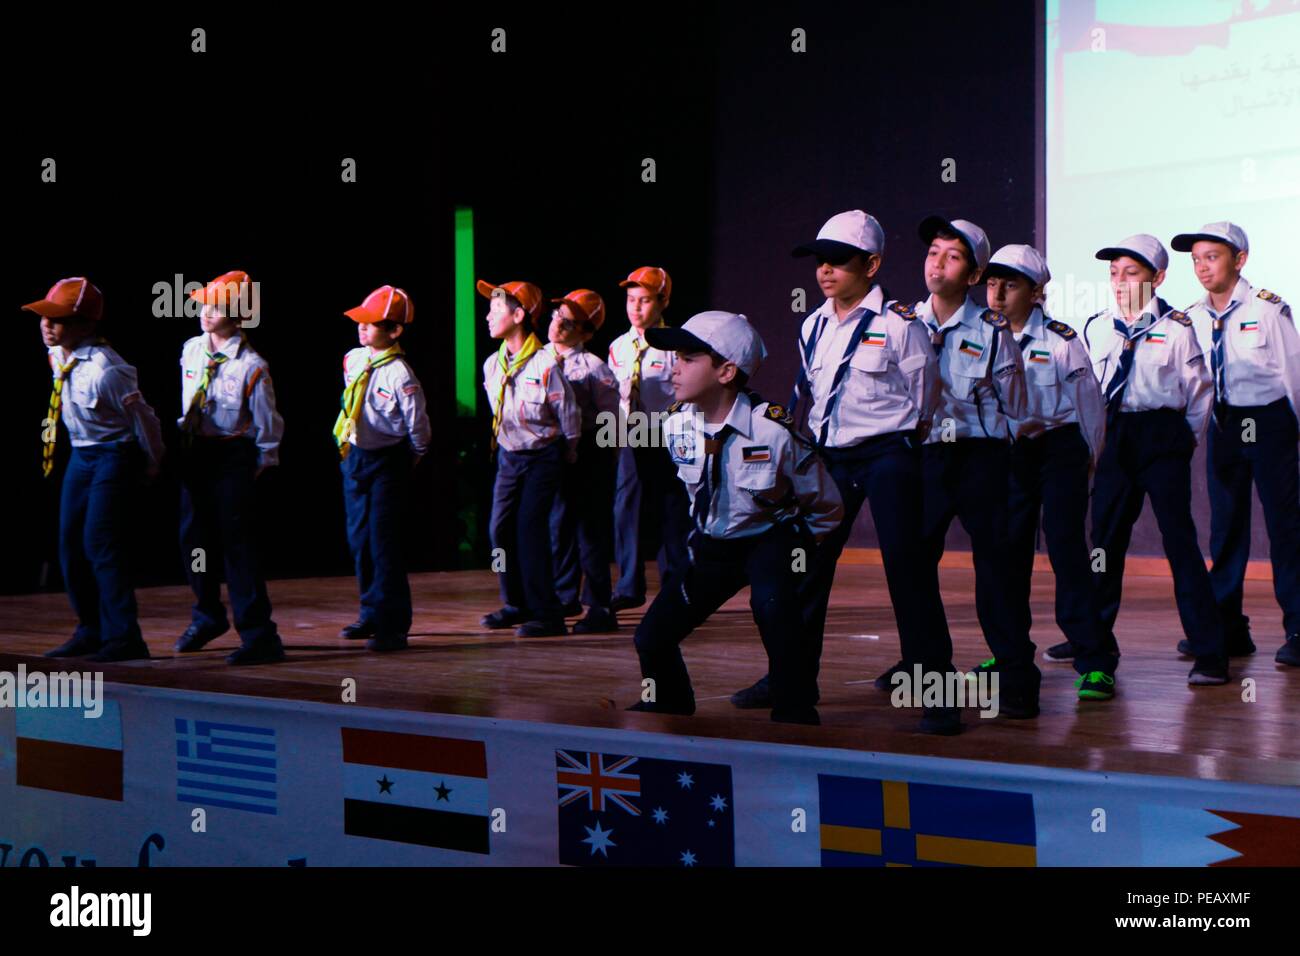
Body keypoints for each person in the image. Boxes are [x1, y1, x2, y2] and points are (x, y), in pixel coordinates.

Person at [731, 210, 960, 735]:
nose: (825, 270)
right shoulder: (812, 324)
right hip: (829, 458)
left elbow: (926, 398)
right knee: (804, 571)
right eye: (820, 260)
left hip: (888, 456)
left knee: (909, 574)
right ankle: (790, 680)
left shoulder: (901, 324)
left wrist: (900, 440)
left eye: (839, 260)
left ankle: (937, 692)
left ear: (872, 264)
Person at [629, 310, 843, 725]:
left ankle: (794, 709)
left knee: (774, 607)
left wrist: (799, 547)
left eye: (689, 358)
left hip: (768, 538)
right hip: (715, 545)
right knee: (651, 636)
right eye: (675, 357)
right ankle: (669, 701)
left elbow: (826, 504)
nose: (674, 367)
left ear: (726, 371)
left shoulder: (772, 431)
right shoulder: (676, 425)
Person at [1083, 234, 1228, 685]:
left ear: (1157, 277)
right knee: (1104, 546)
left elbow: (1201, 392)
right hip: (1114, 437)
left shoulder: (1177, 327)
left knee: (1179, 543)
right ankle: (1094, 648)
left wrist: (1183, 441)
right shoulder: (1097, 326)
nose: (1120, 282)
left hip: (1162, 436)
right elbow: (1086, 392)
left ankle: (1209, 650)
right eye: (1114, 274)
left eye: (1132, 273)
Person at [913, 217, 1040, 718]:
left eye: (953, 255)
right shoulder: (902, 324)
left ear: (972, 275)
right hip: (922, 458)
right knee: (913, 571)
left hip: (979, 457)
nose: (938, 261)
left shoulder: (990, 330)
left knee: (997, 570)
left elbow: (1016, 401)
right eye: (933, 252)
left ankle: (1016, 678)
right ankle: (927, 674)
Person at [985, 245, 1116, 700]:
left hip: (1059, 449)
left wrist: (1089, 462)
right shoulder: (978, 337)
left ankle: (1094, 658)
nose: (998, 294)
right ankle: (1010, 651)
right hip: (1008, 453)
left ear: (1037, 291)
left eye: (1011, 284)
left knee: (1065, 548)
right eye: (992, 283)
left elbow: (1090, 408)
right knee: (1008, 552)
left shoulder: (1060, 339)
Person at [1172, 221, 1300, 667]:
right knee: (1225, 528)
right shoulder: (1192, 316)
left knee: (1286, 527)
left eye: (1212, 257)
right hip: (1225, 424)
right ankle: (1227, 628)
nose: (1202, 269)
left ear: (1239, 260)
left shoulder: (1267, 309)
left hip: (1270, 420)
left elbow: (1293, 373)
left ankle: (1298, 627)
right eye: (1195, 261)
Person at [26, 277, 164, 663]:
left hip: (114, 455)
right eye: (44, 318)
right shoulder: (58, 355)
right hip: (81, 456)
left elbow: (144, 420)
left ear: (85, 325)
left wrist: (153, 462)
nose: (46, 326)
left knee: (100, 543)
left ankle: (124, 637)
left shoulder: (108, 369)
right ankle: (90, 629)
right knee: (69, 544)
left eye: (58, 320)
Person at [174, 270, 287, 664]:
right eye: (204, 304)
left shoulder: (251, 365)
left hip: (232, 456)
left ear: (237, 314)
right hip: (196, 453)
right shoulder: (191, 350)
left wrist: (261, 462)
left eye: (218, 307)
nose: (206, 312)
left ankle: (259, 635)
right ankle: (207, 614)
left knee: (237, 548)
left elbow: (266, 423)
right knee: (195, 543)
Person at [479, 280, 580, 637]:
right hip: (510, 455)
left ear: (519, 315)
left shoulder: (545, 365)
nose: (488, 316)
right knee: (499, 529)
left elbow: (568, 415)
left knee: (529, 530)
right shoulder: (492, 365)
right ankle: (515, 601)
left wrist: (567, 452)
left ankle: (547, 612)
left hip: (543, 455)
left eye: (495, 310)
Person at [334, 285, 431, 652]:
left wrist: (413, 455)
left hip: (388, 461)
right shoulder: (352, 360)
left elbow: (418, 426)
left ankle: (394, 624)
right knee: (359, 539)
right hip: (356, 456)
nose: (362, 329)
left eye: (371, 324)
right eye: (360, 321)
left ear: (394, 332)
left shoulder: (401, 376)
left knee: (383, 543)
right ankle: (370, 611)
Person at [607, 266, 691, 611]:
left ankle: (676, 584)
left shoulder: (676, 344)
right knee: (626, 506)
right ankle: (629, 584)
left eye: (644, 301)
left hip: (666, 431)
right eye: (630, 300)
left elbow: (685, 394)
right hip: (630, 431)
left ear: (663, 301)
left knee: (672, 508)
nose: (636, 308)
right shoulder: (618, 347)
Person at [545, 288, 621, 633]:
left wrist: (604, 460)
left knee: (590, 530)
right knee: (558, 525)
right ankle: (564, 595)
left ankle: (600, 604)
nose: (557, 324)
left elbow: (611, 420)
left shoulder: (594, 368)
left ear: (586, 333)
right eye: (556, 315)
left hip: (591, 450)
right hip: (554, 449)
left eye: (568, 321)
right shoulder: (539, 360)